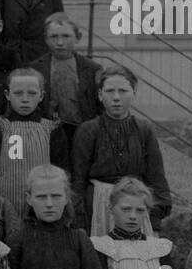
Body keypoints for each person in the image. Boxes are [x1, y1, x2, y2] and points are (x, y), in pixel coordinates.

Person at [70, 65, 171, 236]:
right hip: (98, 205)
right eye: (109, 91)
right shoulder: (88, 130)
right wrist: (79, 222)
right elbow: (78, 180)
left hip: (136, 205)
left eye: (123, 91)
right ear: (100, 95)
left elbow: (156, 177)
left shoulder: (144, 129)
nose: (116, 97)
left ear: (133, 94)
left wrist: (155, 222)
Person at [0, 67, 69, 215]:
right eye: (18, 93)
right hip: (4, 198)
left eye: (32, 93)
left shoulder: (51, 127)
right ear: (7, 95)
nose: (25, 99)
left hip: (41, 201)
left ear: (41, 96)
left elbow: (61, 168)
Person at [29, 12, 101, 149]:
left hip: (81, 132)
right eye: (54, 37)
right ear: (46, 39)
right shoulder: (35, 68)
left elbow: (99, 105)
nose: (60, 42)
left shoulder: (91, 69)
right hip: (46, 132)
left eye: (66, 36)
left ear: (78, 37)